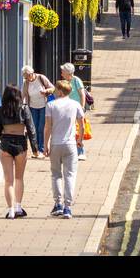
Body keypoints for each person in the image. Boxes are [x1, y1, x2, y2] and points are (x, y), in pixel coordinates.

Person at [0, 84, 37, 219]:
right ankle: (18, 206)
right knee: (19, 178)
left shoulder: (1, 110)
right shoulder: (24, 109)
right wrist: (35, 148)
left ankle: (10, 210)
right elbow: (31, 129)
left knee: (8, 180)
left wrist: (3, 137)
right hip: (20, 144)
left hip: (5, 143)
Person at [45, 79, 85, 219]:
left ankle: (58, 205)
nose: (55, 92)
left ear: (60, 91)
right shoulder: (75, 105)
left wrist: (46, 144)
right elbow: (82, 124)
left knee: (56, 174)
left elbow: (48, 127)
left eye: (56, 89)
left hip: (55, 144)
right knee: (70, 175)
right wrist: (79, 140)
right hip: (70, 145)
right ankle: (68, 207)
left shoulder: (50, 105)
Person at [21, 65, 54, 157]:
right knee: (34, 129)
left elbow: (53, 88)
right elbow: (22, 95)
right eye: (25, 77)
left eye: (28, 77)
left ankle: (42, 149)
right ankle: (36, 150)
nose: (27, 79)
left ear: (31, 73)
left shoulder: (41, 78)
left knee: (41, 128)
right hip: (32, 107)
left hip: (44, 106)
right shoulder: (26, 83)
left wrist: (46, 91)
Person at [61, 61, 89, 160]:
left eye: (63, 71)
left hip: (77, 109)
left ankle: (81, 152)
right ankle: (70, 153)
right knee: (69, 131)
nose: (61, 73)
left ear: (68, 72)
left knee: (78, 130)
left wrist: (81, 107)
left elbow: (82, 94)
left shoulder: (76, 80)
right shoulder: (64, 82)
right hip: (67, 109)